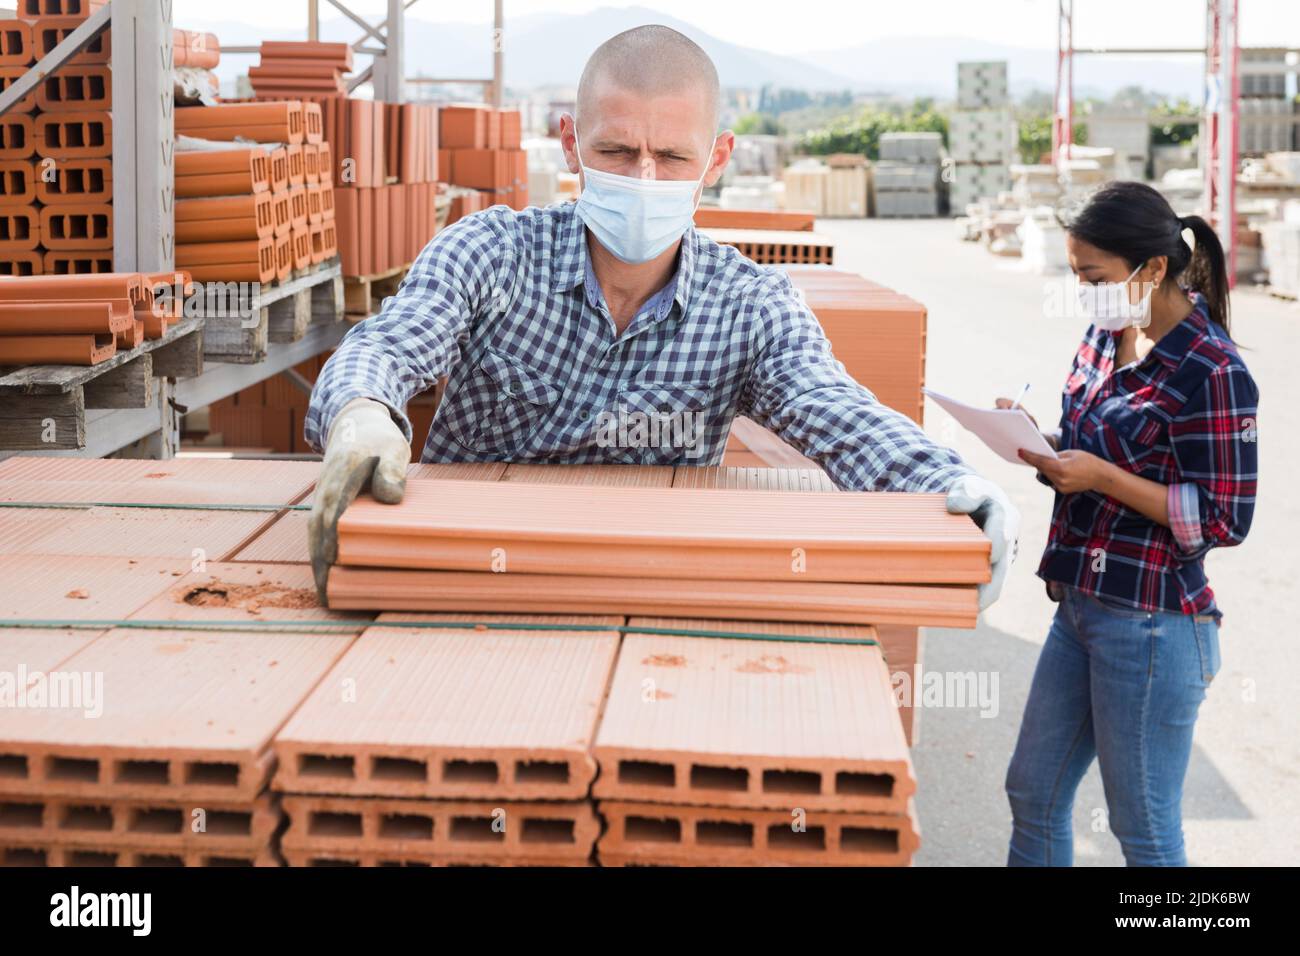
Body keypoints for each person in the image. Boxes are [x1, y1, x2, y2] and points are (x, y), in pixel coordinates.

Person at [303, 24, 1019, 606]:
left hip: (647, 592)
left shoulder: (749, 304)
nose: (644, 179)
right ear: (569, 141)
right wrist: (362, 411)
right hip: (458, 582)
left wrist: (943, 482)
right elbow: (395, 340)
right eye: (616, 150)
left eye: (673, 156)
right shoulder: (492, 252)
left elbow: (827, 404)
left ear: (718, 158)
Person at [1003, 181, 1259, 866]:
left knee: (1142, 829)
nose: (1084, 291)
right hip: (1082, 610)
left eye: (1094, 276)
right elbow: (1090, 440)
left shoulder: (1213, 370)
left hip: (1153, 625)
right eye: (1078, 276)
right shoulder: (1106, 334)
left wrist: (1103, 478)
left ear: (1150, 269)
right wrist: (1038, 442)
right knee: (1032, 795)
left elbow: (1226, 519)